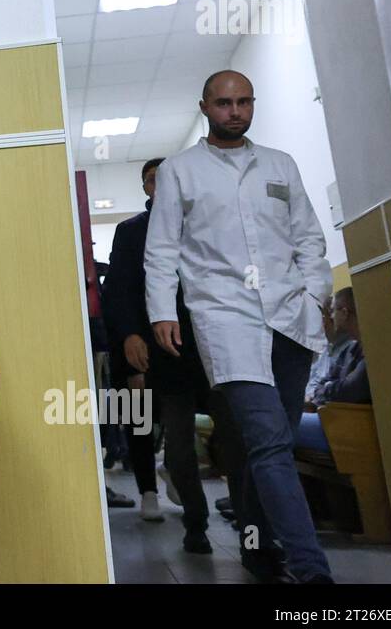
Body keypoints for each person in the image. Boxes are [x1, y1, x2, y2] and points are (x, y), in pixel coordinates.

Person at [146, 70, 334, 584]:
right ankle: (311, 569)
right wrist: (162, 311)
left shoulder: (280, 164)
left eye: (245, 102)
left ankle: (256, 545)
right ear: (205, 107)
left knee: (270, 444)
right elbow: (161, 249)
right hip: (225, 318)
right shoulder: (180, 171)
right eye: (225, 103)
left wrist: (316, 294)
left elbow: (309, 238)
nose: (236, 111)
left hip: (290, 318)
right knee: (270, 442)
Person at [102, 157, 212, 551]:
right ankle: (169, 504)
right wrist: (131, 335)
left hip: (209, 343)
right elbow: (120, 289)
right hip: (157, 345)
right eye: (152, 179)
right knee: (151, 422)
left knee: (230, 434)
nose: (160, 184)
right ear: (145, 187)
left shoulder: (200, 222)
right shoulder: (132, 231)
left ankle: (249, 527)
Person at [295, 287, 370, 453]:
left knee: (277, 426)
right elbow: (323, 384)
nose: (331, 316)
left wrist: (328, 388)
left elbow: (352, 389)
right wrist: (329, 389)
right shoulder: (350, 350)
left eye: (333, 311)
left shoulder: (372, 350)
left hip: (350, 425)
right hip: (332, 417)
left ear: (344, 313)